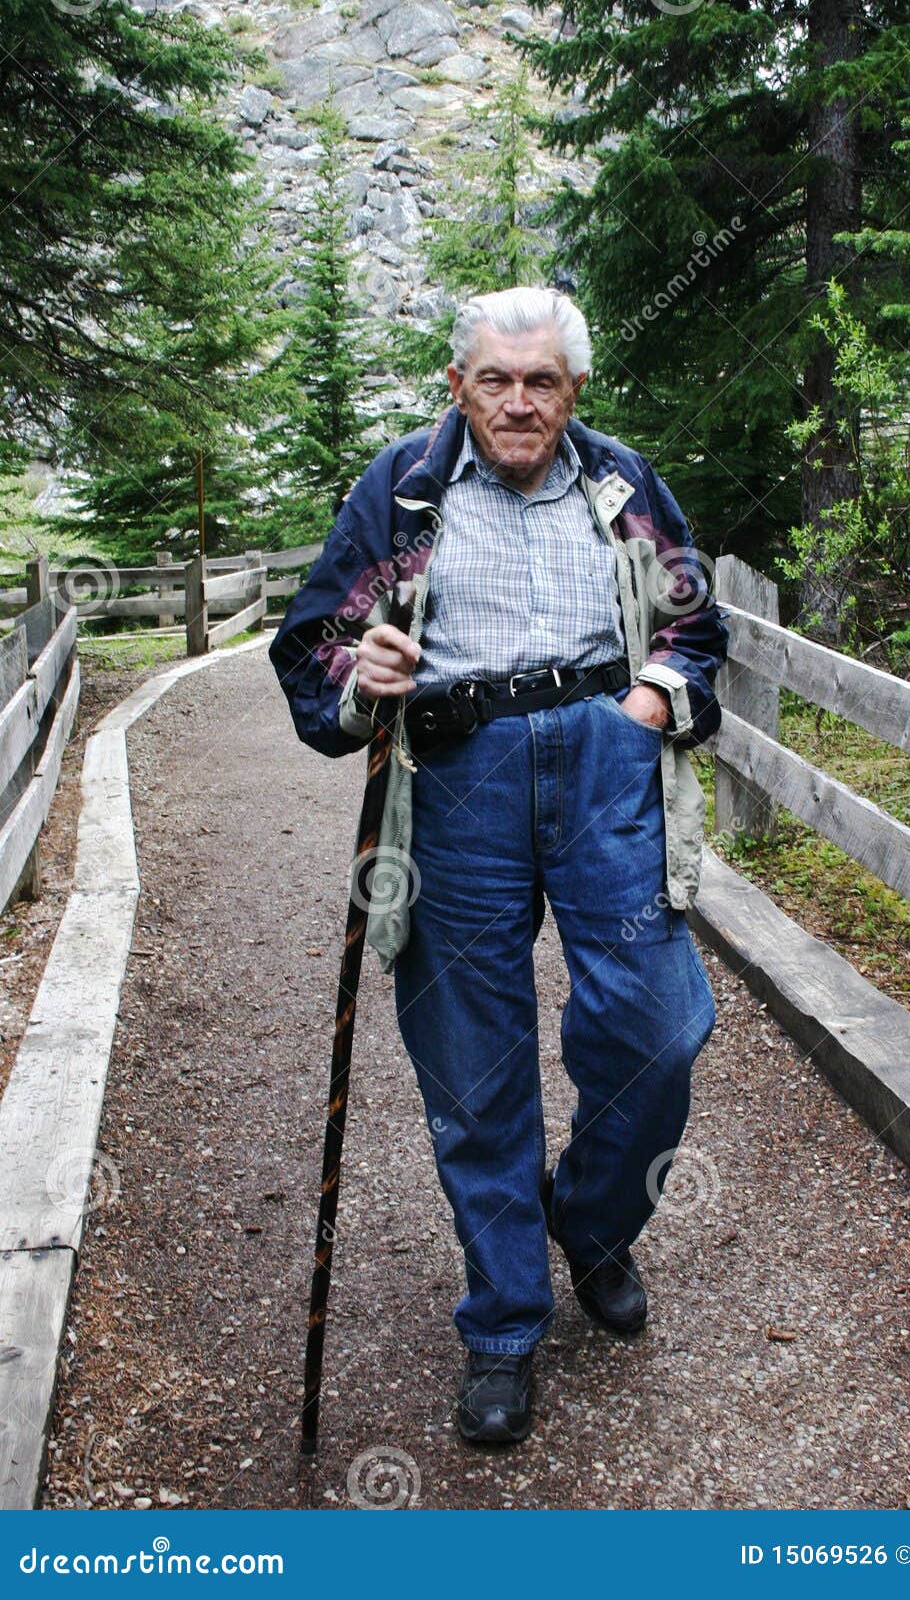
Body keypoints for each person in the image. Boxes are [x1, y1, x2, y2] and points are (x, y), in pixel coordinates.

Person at [270, 286, 729, 1446]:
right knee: (472, 1067)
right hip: (452, 773)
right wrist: (355, 671)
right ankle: (505, 1321)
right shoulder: (404, 493)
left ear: (572, 390)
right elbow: (314, 639)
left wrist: (642, 704)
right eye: (496, 380)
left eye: (541, 382)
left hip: (600, 764)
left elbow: (692, 624)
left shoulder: (618, 485)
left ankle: (587, 1218)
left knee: (659, 1024)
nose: (518, 402)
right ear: (457, 384)